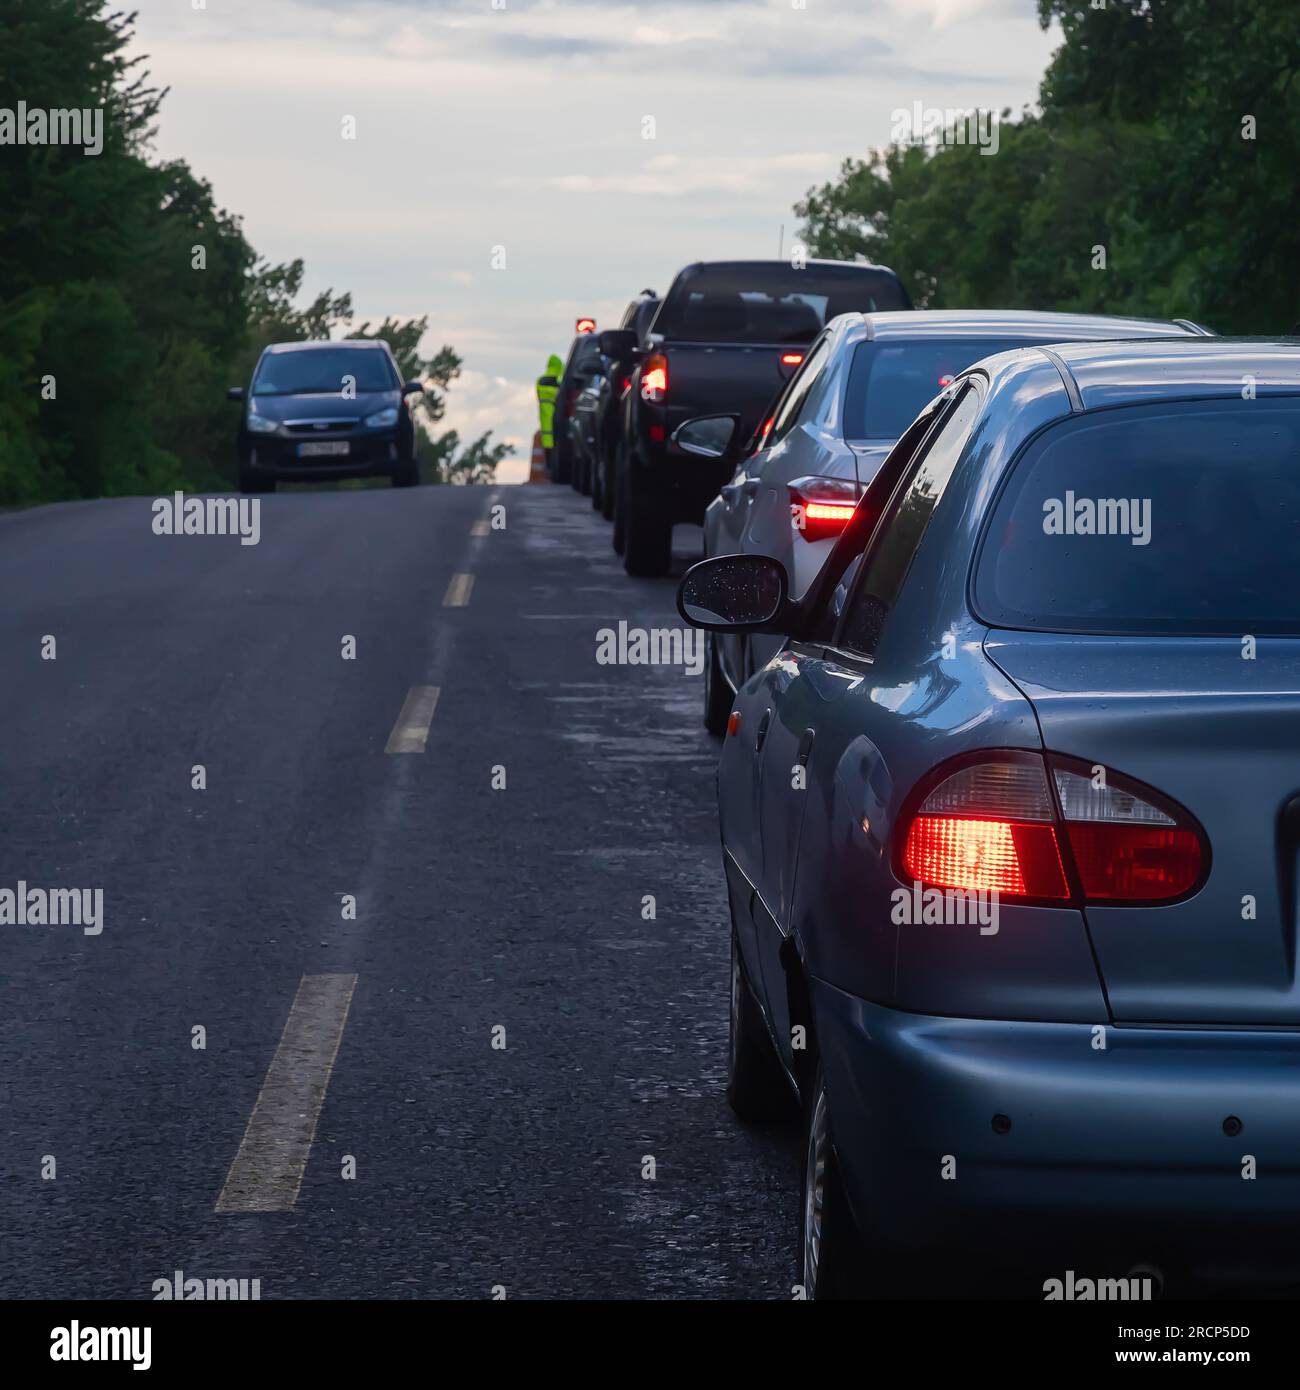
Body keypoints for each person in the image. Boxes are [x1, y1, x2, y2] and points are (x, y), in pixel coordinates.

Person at [536, 354, 563, 474]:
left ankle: (548, 469)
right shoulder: (560, 381)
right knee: (557, 445)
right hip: (558, 415)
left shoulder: (540, 380)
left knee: (547, 444)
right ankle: (555, 468)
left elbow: (539, 395)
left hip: (545, 416)